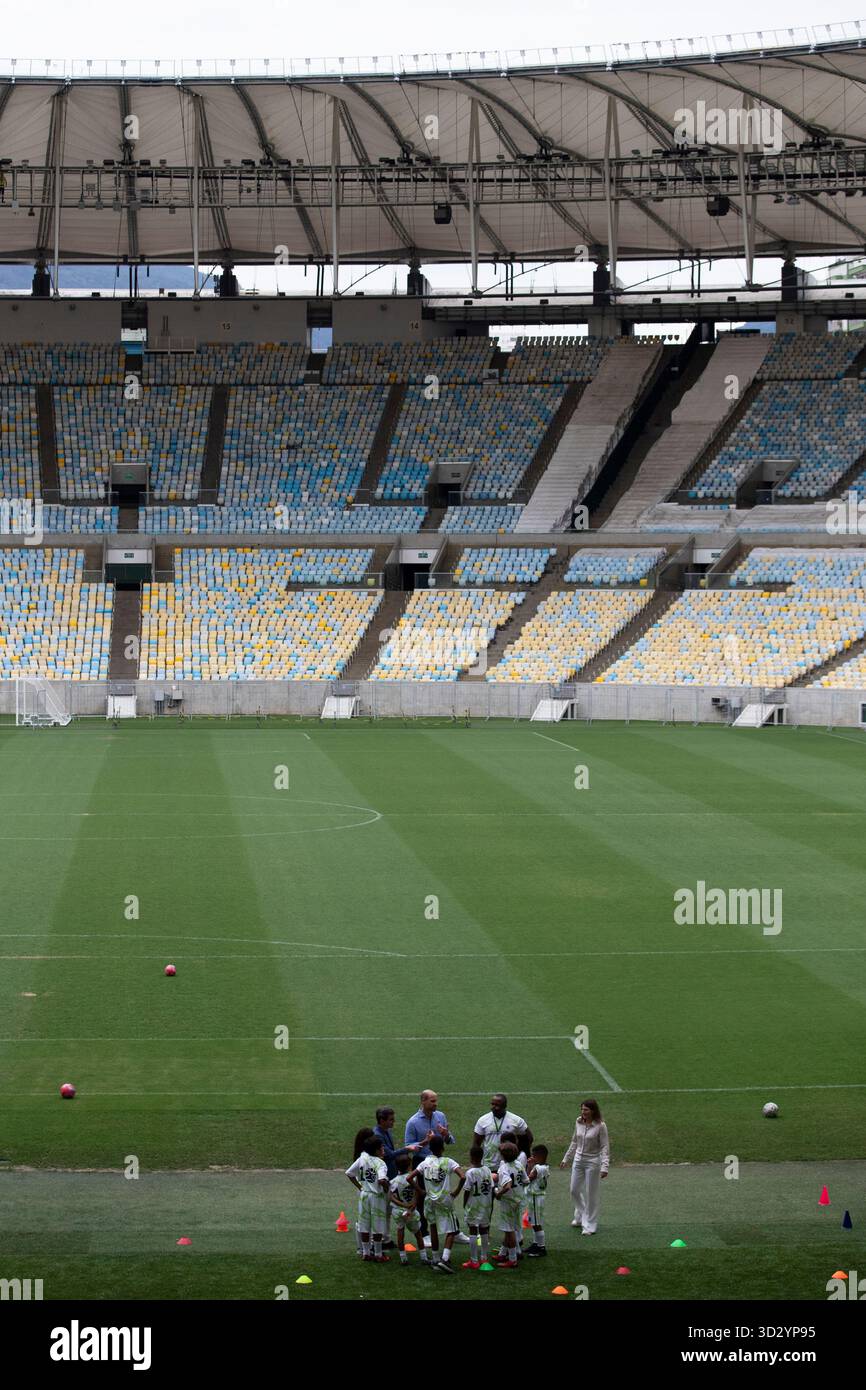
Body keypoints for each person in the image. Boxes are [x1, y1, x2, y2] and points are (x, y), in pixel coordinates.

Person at [404, 1089, 455, 1243]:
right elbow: (408, 1146)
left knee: (443, 1195)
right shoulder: (412, 1122)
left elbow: (450, 1141)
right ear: (423, 1101)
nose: (435, 1104)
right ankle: (425, 1233)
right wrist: (425, 1142)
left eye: (436, 1100)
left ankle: (454, 1230)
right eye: (432, 1101)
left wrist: (446, 1134)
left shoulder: (441, 1116)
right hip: (422, 1163)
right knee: (423, 1197)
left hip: (439, 1162)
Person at [410, 1135, 464, 1273]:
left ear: (430, 1148)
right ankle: (445, 1259)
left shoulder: (425, 1162)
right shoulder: (448, 1162)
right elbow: (463, 1176)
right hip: (445, 1201)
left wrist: (421, 1190)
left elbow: (409, 1177)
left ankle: (435, 1258)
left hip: (429, 1200)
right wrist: (456, 1192)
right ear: (443, 1148)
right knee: (452, 1230)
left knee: (433, 1228)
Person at [559, 1098, 610, 1235]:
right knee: (574, 1190)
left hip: (593, 1162)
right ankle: (582, 1216)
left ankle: (590, 1225)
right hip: (578, 1160)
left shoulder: (600, 1126)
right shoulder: (578, 1121)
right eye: (582, 1109)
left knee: (591, 1194)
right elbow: (574, 1141)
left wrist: (605, 1166)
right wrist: (566, 1158)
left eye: (586, 1110)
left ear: (593, 1111)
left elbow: (605, 1146)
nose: (583, 1112)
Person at [345, 1137, 391, 1263]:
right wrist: (387, 1188)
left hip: (364, 1195)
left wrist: (360, 1187)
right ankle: (378, 1254)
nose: (383, 1149)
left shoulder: (362, 1159)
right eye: (381, 1147)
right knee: (378, 1226)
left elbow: (349, 1173)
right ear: (376, 1150)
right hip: (377, 1197)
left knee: (364, 1224)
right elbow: (382, 1180)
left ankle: (365, 1253)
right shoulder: (381, 1163)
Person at [473, 1094, 532, 1169]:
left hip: (509, 1165)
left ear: (504, 1106)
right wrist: (475, 1162)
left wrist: (515, 1153)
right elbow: (476, 1143)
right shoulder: (483, 1120)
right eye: (492, 1104)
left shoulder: (516, 1120)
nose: (493, 1107)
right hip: (489, 1165)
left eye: (497, 1105)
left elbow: (529, 1138)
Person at [389, 1154, 427, 1266]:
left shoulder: (393, 1182)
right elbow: (417, 1193)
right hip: (412, 1211)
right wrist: (411, 1206)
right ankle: (424, 1257)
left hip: (398, 1211)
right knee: (418, 1234)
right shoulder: (413, 1178)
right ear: (410, 1165)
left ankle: (403, 1258)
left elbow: (391, 1197)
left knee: (400, 1233)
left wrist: (402, 1205)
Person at [492, 1140, 525, 1268]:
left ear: (503, 1155)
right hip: (518, 1200)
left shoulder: (503, 1168)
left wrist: (498, 1193)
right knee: (510, 1228)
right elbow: (526, 1180)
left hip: (508, 1201)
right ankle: (503, 1253)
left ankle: (512, 1259)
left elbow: (508, 1185)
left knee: (509, 1229)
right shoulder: (518, 1164)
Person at [461, 1143, 494, 1270]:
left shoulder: (470, 1173)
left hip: (473, 1206)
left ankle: (474, 1260)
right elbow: (491, 1187)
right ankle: (484, 1258)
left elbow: (467, 1190)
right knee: (484, 1230)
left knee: (473, 1230)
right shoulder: (487, 1170)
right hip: (486, 1205)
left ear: (471, 1157)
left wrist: (464, 1204)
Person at [373, 1105, 415, 1179]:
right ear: (382, 1121)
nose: (394, 1121)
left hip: (391, 1169)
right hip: (385, 1172)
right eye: (391, 1119)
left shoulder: (387, 1129)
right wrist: (407, 1149)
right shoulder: (377, 1135)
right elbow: (389, 1154)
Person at [524, 1143, 550, 1257]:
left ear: (540, 1156)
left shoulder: (538, 1168)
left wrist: (529, 1166)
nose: (532, 1158)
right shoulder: (545, 1167)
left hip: (535, 1197)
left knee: (536, 1223)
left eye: (534, 1156)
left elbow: (527, 1179)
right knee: (534, 1222)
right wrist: (531, 1165)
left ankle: (541, 1247)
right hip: (536, 1197)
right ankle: (536, 1244)